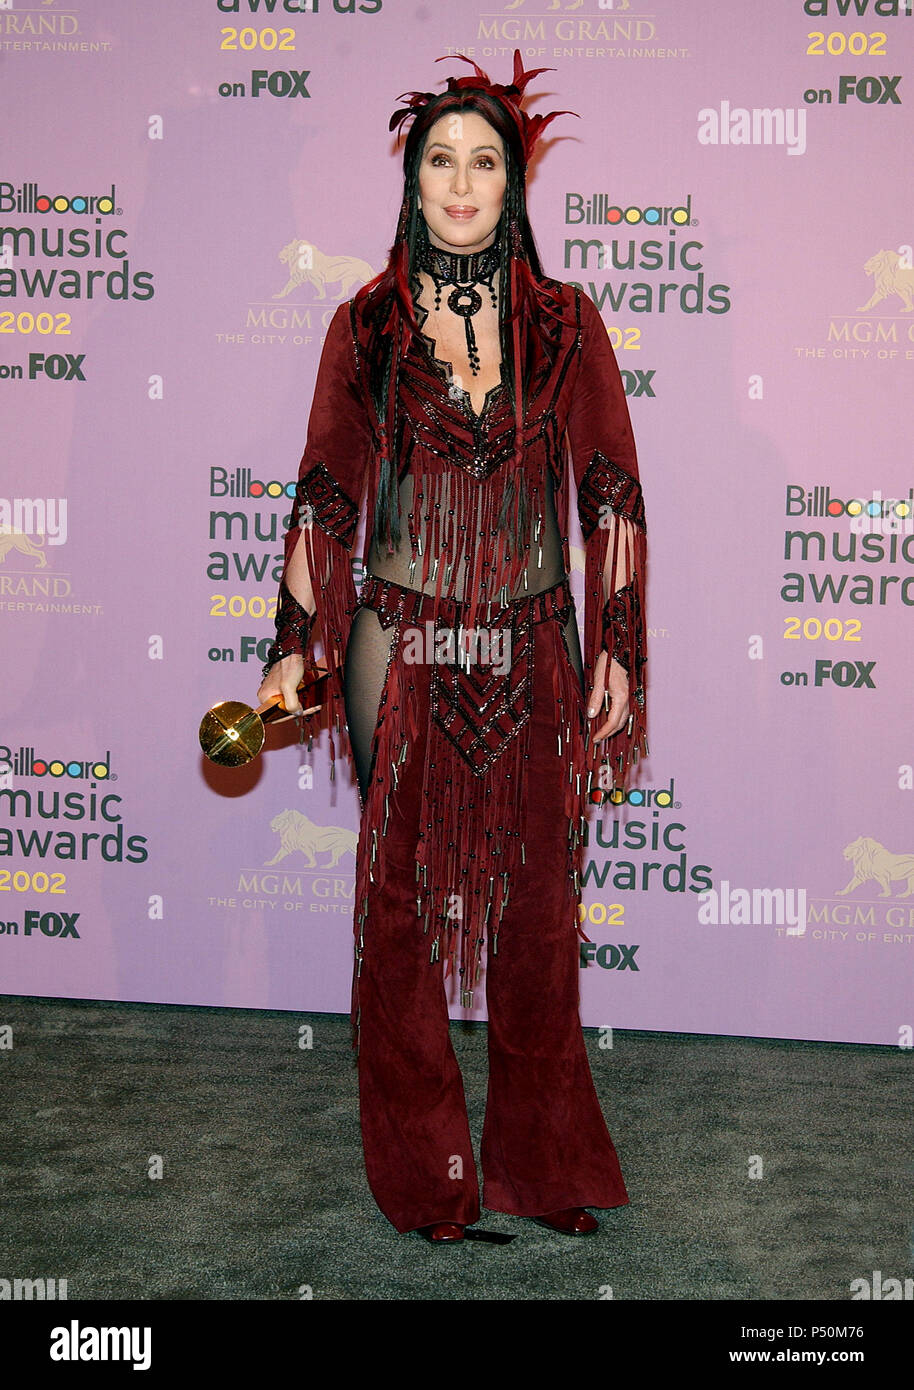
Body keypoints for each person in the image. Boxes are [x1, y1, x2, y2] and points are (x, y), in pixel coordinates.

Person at [258, 51, 647, 1243]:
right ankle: (428, 1182)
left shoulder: (565, 323)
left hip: (532, 639)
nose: (461, 181)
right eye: (440, 160)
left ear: (512, 184)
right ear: (413, 180)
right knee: (401, 912)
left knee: (536, 915)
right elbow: (327, 490)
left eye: (484, 161)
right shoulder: (364, 324)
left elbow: (610, 497)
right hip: (402, 645)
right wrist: (290, 642)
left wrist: (615, 647)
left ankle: (540, 1166)